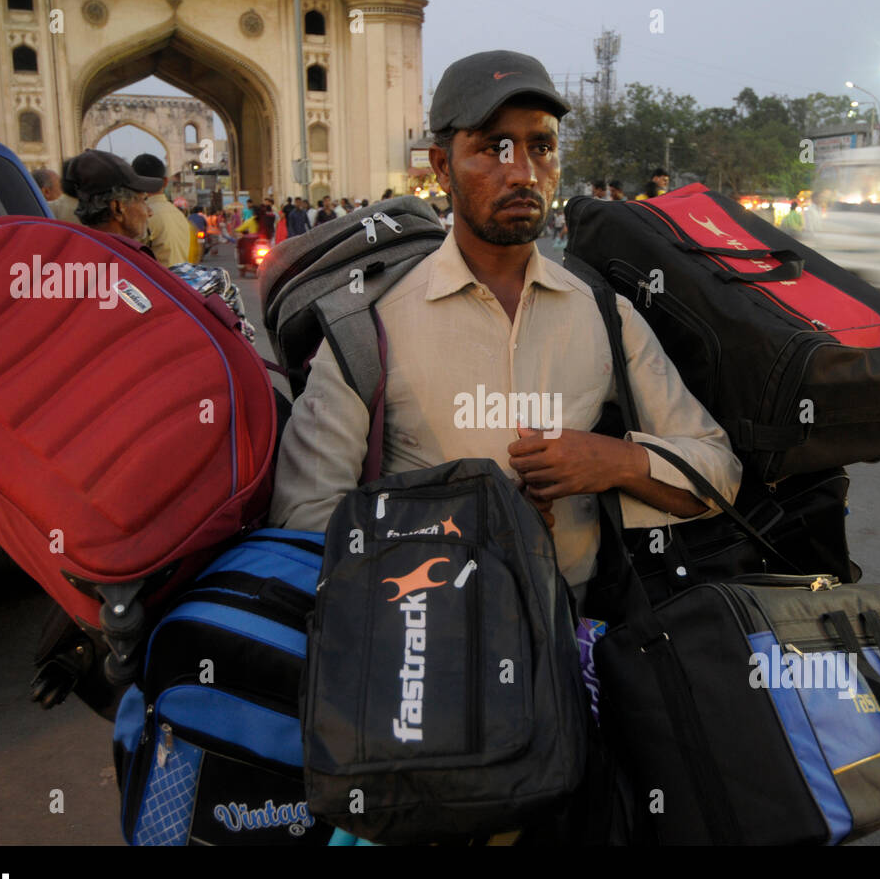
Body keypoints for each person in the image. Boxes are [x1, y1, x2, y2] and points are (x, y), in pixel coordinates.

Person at [271, 49, 740, 602]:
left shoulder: (603, 313)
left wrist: (617, 462)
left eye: (540, 146)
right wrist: (471, 526)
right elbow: (303, 522)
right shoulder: (367, 324)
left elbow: (718, 473)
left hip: (575, 633)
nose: (522, 172)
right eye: (493, 147)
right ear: (441, 166)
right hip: (423, 637)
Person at [62, 149, 159, 244]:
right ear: (117, 208)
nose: (150, 212)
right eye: (143, 200)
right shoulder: (122, 257)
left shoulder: (77, 250)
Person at [128, 154, 193, 266]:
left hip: (155, 282)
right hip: (179, 281)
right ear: (165, 182)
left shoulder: (141, 215)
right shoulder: (178, 214)